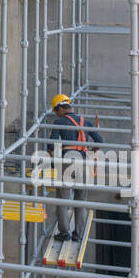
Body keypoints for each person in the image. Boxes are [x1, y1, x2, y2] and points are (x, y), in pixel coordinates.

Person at [46, 93, 102, 243]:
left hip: (67, 163)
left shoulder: (59, 122)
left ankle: (64, 233)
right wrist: (89, 153)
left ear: (60, 108)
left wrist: (52, 161)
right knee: (80, 200)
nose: (56, 114)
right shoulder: (87, 122)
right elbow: (99, 141)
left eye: (56, 111)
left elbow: (51, 146)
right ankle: (78, 234)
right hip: (83, 164)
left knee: (63, 200)